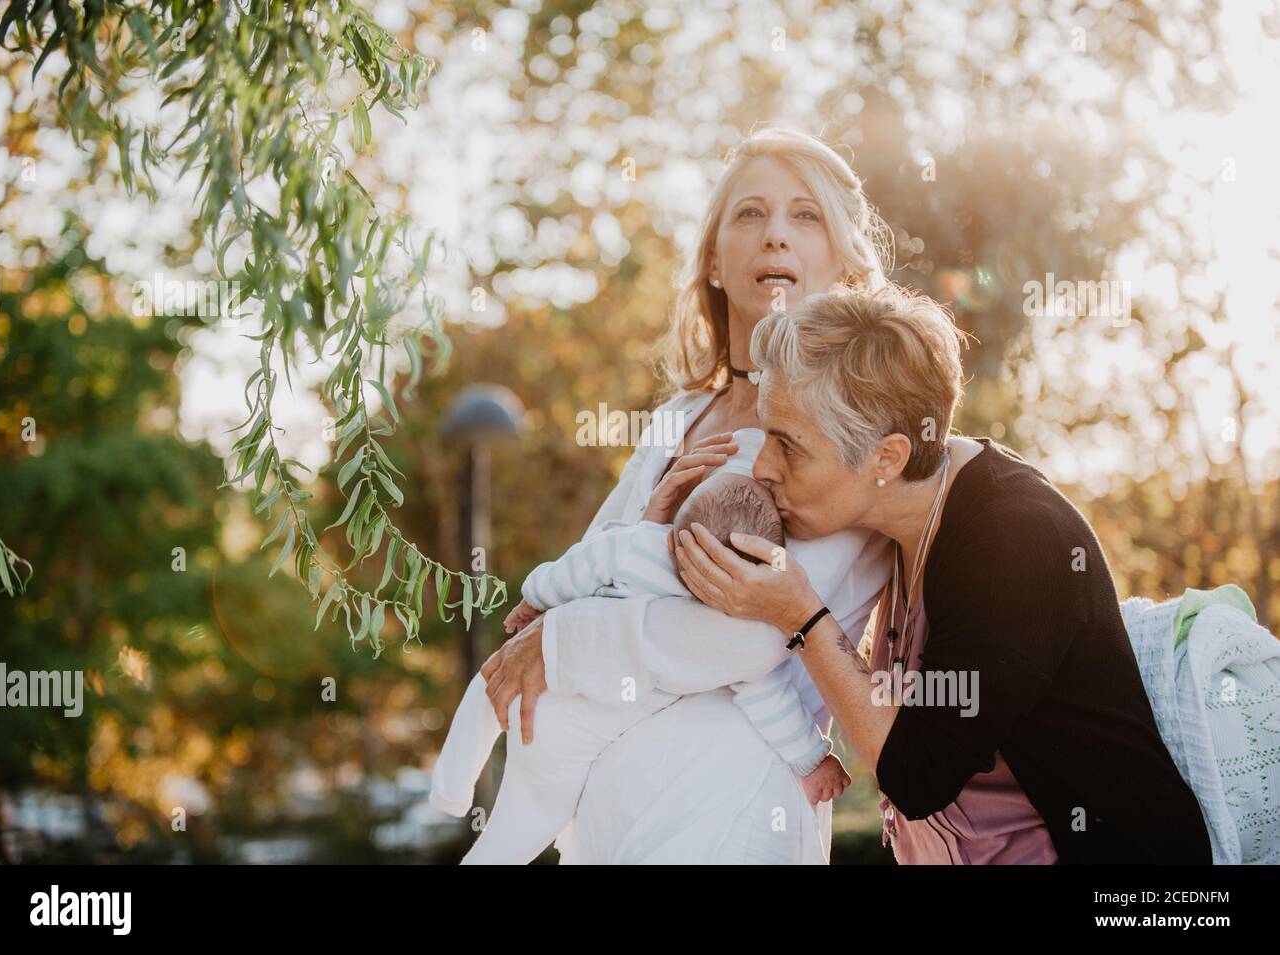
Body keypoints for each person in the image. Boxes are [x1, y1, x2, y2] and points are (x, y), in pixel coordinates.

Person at [669, 282, 1214, 863]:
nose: (763, 466)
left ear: (888, 457)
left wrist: (800, 617)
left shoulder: (1015, 538)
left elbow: (919, 775)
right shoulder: (896, 520)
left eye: (789, 446)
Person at [481, 126, 895, 863]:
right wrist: (637, 537)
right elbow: (586, 579)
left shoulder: (854, 428)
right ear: (712, 257)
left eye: (806, 217)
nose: (776, 236)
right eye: (749, 214)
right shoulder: (673, 422)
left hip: (734, 819)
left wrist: (563, 643)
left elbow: (747, 635)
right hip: (603, 830)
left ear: (843, 261)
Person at [430, 429, 847, 863]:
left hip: (549, 692)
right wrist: (813, 759)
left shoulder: (641, 545)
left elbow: (578, 566)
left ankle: (451, 789)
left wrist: (536, 598)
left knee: (484, 694)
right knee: (523, 826)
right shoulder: (735, 621)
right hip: (570, 731)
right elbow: (768, 696)